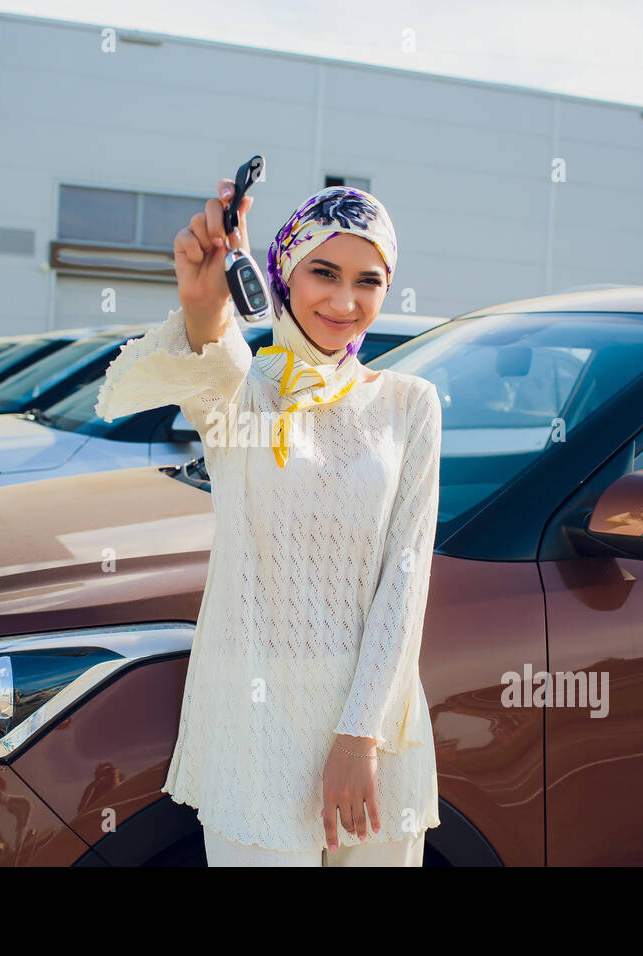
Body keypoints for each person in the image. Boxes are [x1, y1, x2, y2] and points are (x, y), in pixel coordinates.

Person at [94, 180, 442, 866]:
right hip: (254, 730)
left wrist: (358, 735)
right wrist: (203, 305)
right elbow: (210, 354)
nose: (345, 302)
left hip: (373, 734)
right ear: (280, 272)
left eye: (368, 281)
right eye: (323, 272)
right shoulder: (241, 392)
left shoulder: (410, 404)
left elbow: (406, 578)